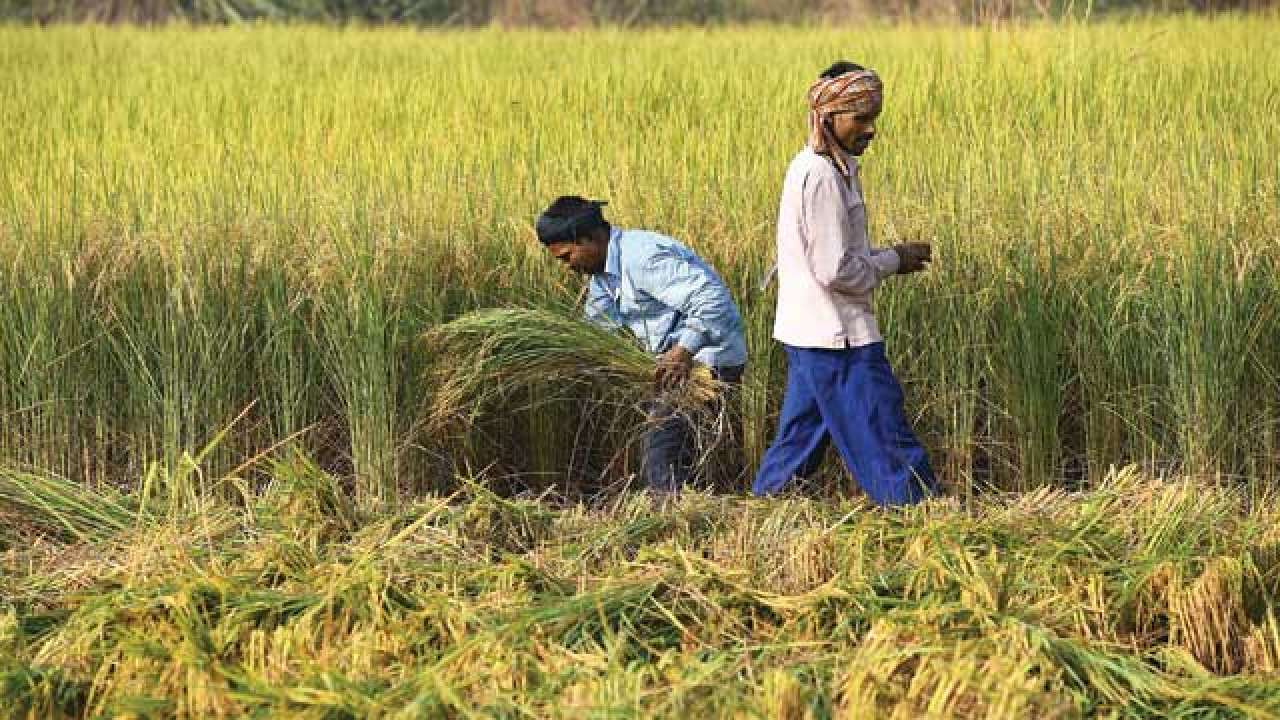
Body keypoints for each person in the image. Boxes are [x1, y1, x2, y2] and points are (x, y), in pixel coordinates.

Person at [753, 61, 936, 505]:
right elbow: (835, 269)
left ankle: (764, 509)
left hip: (811, 332)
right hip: (837, 336)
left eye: (875, 117)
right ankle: (921, 517)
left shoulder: (831, 166)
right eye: (861, 117)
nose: (871, 129)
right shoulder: (820, 175)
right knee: (881, 428)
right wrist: (894, 260)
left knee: (801, 438)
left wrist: (890, 257)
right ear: (829, 116)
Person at [536, 196, 748, 496]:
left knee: (660, 451)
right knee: (670, 449)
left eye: (567, 256)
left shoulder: (642, 258)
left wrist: (682, 352)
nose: (567, 266)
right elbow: (596, 329)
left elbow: (712, 300)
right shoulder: (602, 276)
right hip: (673, 365)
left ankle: (674, 524)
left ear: (592, 238)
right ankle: (691, 511)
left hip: (706, 361)